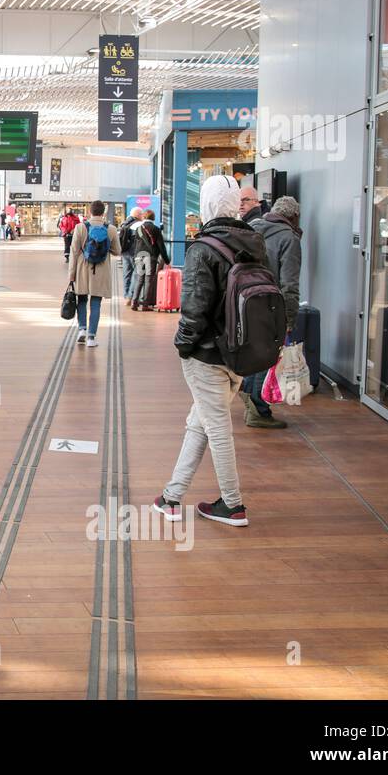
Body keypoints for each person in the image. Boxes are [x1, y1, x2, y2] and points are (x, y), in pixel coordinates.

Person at [152, 175, 260, 528]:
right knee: (199, 423)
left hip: (207, 356)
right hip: (241, 354)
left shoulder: (204, 248)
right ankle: (171, 496)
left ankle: (233, 504)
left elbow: (194, 310)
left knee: (216, 429)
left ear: (208, 205)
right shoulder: (255, 242)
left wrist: (182, 345)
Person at [241, 195, 303, 430]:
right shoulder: (289, 238)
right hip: (271, 306)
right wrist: (289, 318)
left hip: (245, 302)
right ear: (294, 216)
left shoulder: (252, 228)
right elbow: (290, 283)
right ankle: (258, 410)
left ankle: (249, 398)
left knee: (253, 355)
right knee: (267, 357)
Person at [66, 200, 121, 348]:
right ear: (103, 212)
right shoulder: (111, 229)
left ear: (90, 211)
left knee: (82, 300)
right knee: (96, 303)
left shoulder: (80, 227)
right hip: (101, 270)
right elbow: (118, 251)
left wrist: (72, 274)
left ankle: (82, 329)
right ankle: (91, 337)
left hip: (82, 268)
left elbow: (74, 252)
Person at [131, 209, 170, 311]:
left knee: (139, 279)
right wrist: (167, 260)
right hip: (150, 257)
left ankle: (134, 303)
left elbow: (135, 244)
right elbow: (161, 246)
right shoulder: (156, 229)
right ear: (153, 218)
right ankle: (145, 304)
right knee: (148, 280)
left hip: (139, 256)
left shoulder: (138, 228)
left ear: (144, 217)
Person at [118, 207, 144, 305]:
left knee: (126, 274)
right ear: (137, 215)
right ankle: (130, 296)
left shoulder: (124, 223)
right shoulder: (138, 224)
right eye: (141, 214)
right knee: (136, 274)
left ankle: (126, 295)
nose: (142, 216)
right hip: (134, 252)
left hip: (125, 252)